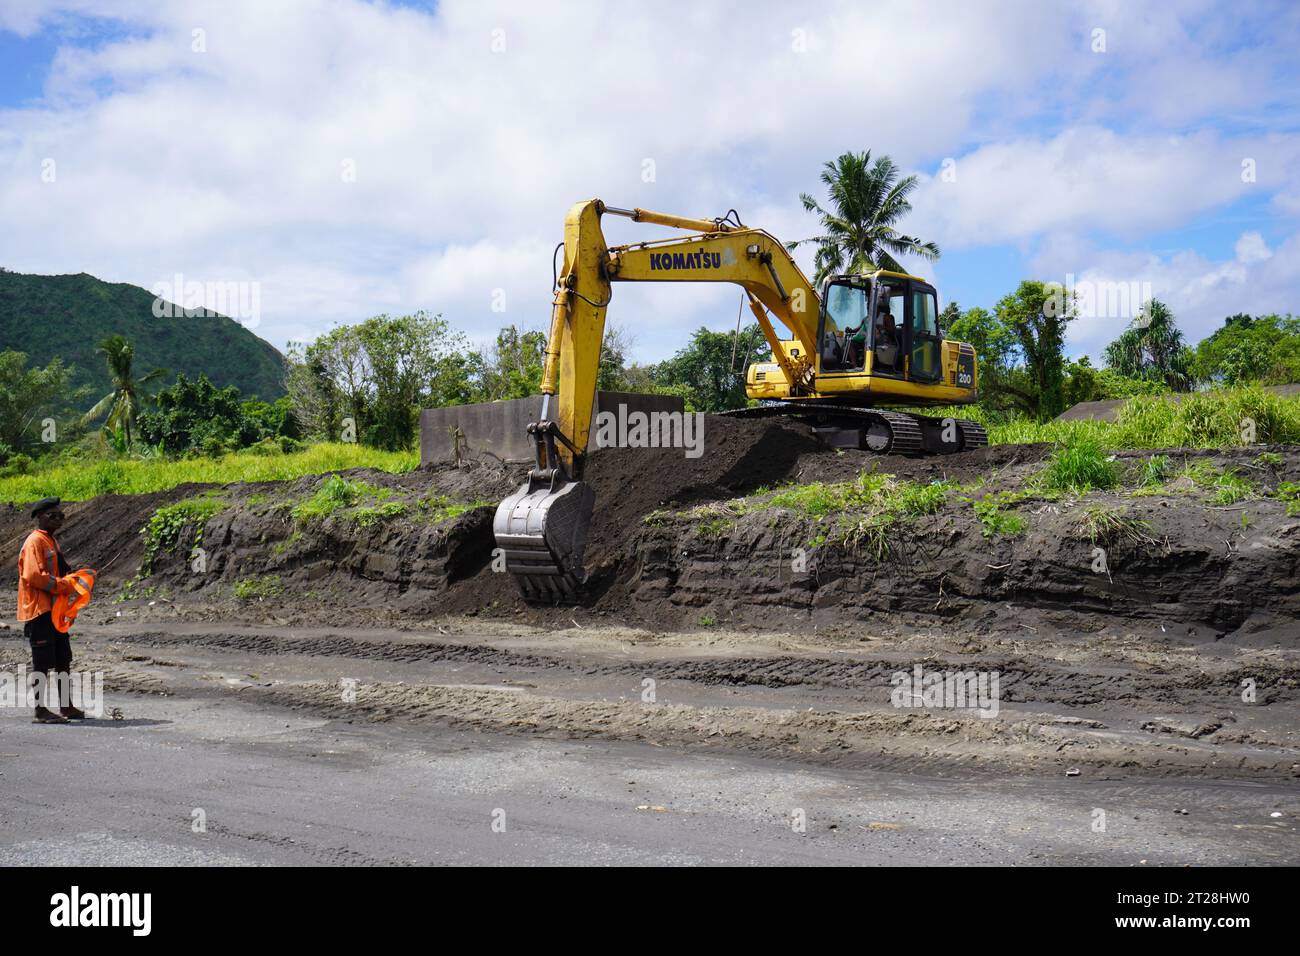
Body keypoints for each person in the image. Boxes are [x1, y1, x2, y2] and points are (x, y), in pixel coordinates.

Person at [17, 497, 85, 723]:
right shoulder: (35, 542)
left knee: (63, 658)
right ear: (39, 517)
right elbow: (34, 576)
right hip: (39, 611)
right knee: (42, 661)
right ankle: (40, 710)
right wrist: (62, 585)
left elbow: (62, 571)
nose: (58, 519)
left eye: (61, 516)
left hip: (54, 611)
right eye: (52, 515)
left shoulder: (51, 541)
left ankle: (66, 706)